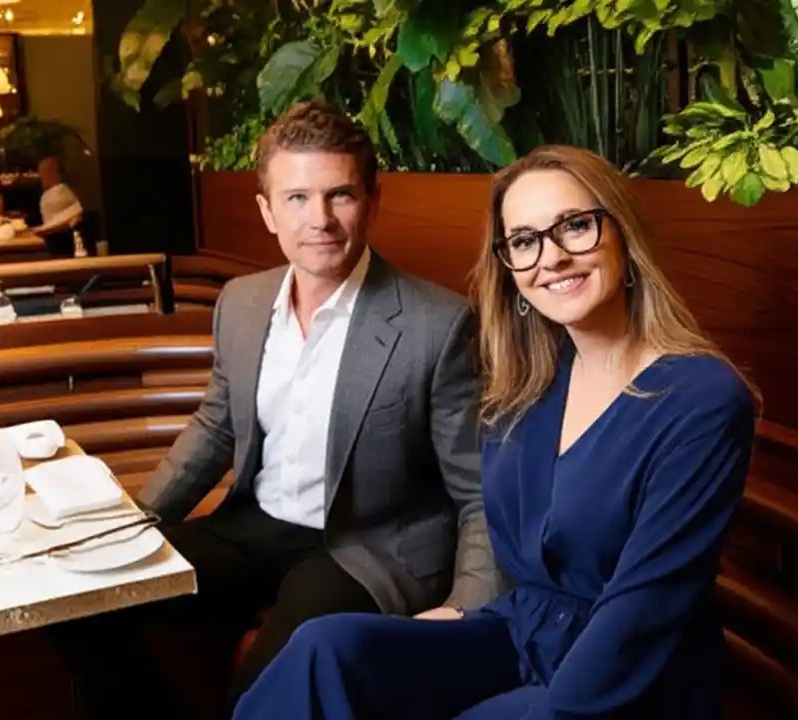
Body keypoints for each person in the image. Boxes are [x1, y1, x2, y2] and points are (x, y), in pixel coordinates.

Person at [231, 145, 761, 720]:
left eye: (576, 226)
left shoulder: (701, 399)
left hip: (631, 679)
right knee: (325, 649)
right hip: (522, 636)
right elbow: (520, 570)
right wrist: (462, 615)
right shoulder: (531, 387)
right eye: (525, 241)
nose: (551, 258)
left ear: (624, 235)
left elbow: (647, 611)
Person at [51, 101, 503, 719]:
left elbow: (478, 490)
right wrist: (137, 523)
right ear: (266, 210)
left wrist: (467, 609)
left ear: (372, 200)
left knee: (262, 697)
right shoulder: (241, 301)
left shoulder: (437, 323)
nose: (319, 219)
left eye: (339, 195)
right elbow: (216, 424)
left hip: (363, 545)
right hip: (252, 525)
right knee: (80, 602)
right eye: (296, 198)